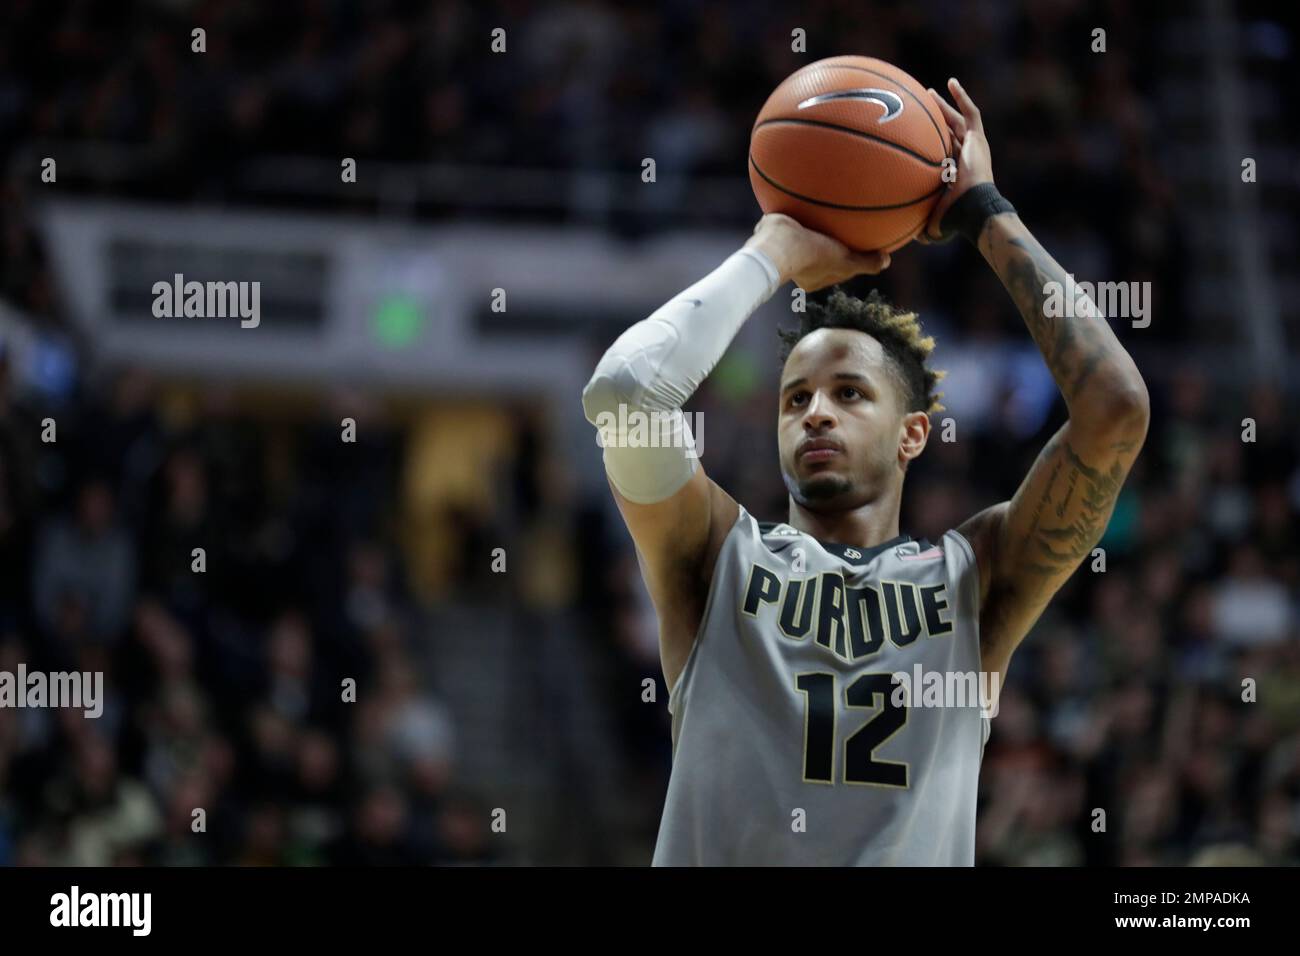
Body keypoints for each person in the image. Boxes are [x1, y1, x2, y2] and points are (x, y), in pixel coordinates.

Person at [581, 78, 1149, 865]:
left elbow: (1117, 406)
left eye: (849, 394)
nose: (814, 412)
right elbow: (623, 392)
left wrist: (985, 212)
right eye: (795, 398)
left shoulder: (976, 578)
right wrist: (773, 248)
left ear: (914, 433)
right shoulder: (714, 555)